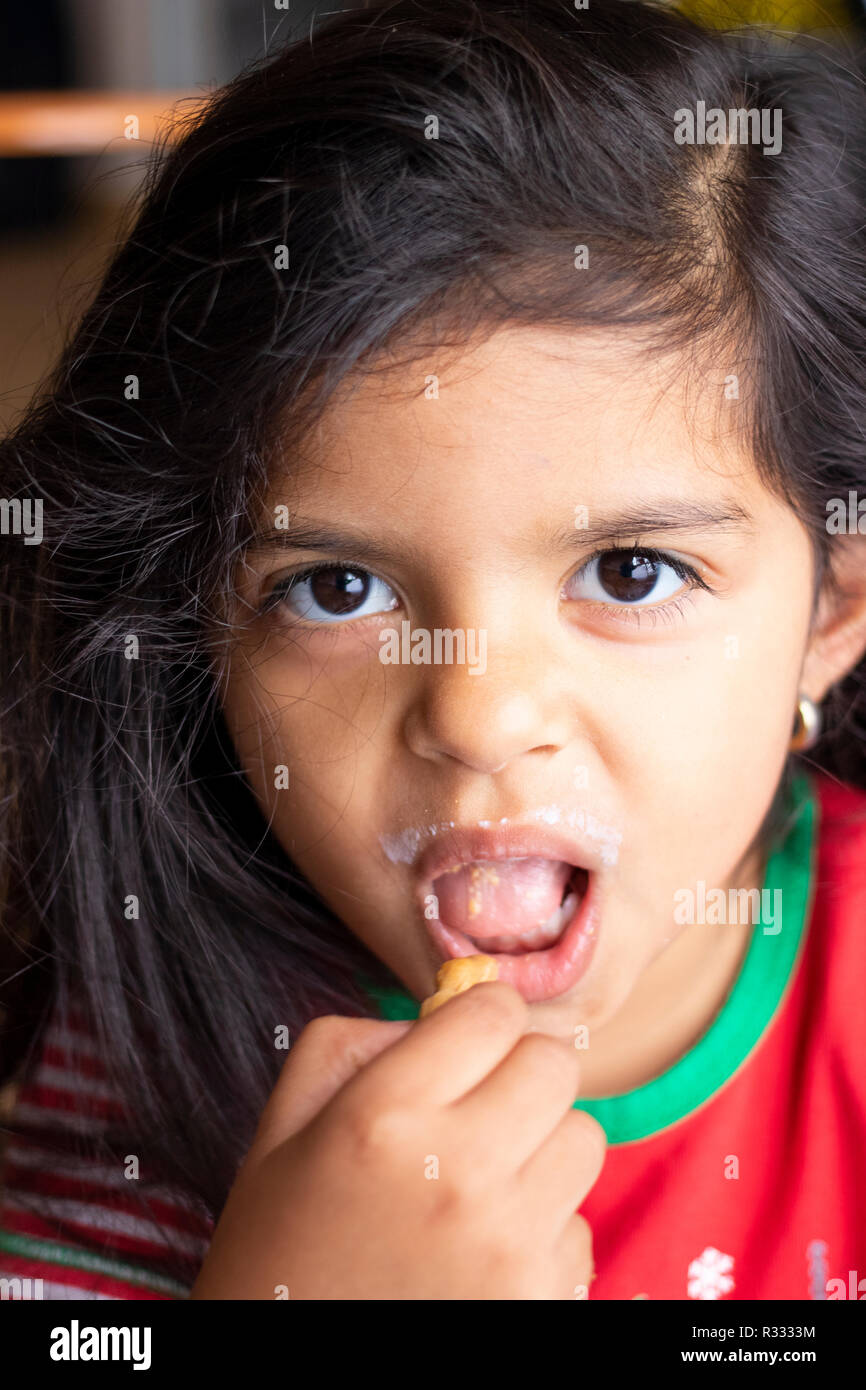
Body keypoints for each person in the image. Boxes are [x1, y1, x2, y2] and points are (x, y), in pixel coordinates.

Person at [2, 0, 865, 1301]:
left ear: (827, 616)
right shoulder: (141, 1037)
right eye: (334, 587)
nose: (473, 712)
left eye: (629, 572)